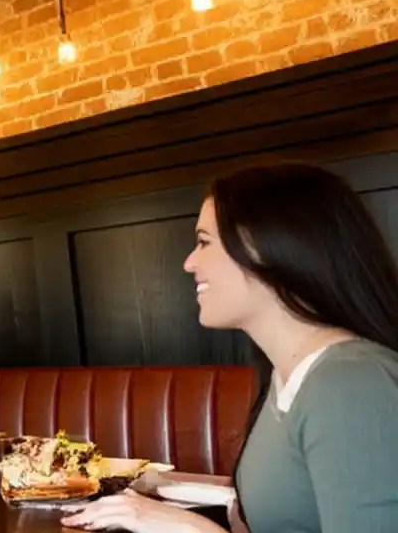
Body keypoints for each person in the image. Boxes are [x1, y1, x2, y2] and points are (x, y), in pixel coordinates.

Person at [62, 163, 398, 533]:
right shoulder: (288, 377)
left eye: (204, 241)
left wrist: (195, 529)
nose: (189, 263)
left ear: (268, 245)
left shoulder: (350, 383)